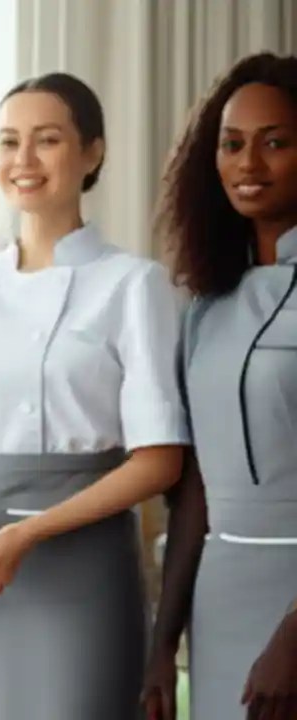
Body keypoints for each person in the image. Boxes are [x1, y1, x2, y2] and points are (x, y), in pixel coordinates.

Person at [0, 72, 189, 720]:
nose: (23, 160)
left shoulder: (133, 286)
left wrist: (32, 533)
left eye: (47, 140)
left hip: (82, 574)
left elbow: (159, 460)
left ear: (92, 152)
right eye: (9, 142)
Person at [143, 52, 297, 720]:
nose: (248, 164)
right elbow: (197, 489)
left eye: (276, 143)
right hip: (218, 597)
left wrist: (295, 633)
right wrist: (160, 646)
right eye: (231, 145)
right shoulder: (207, 305)